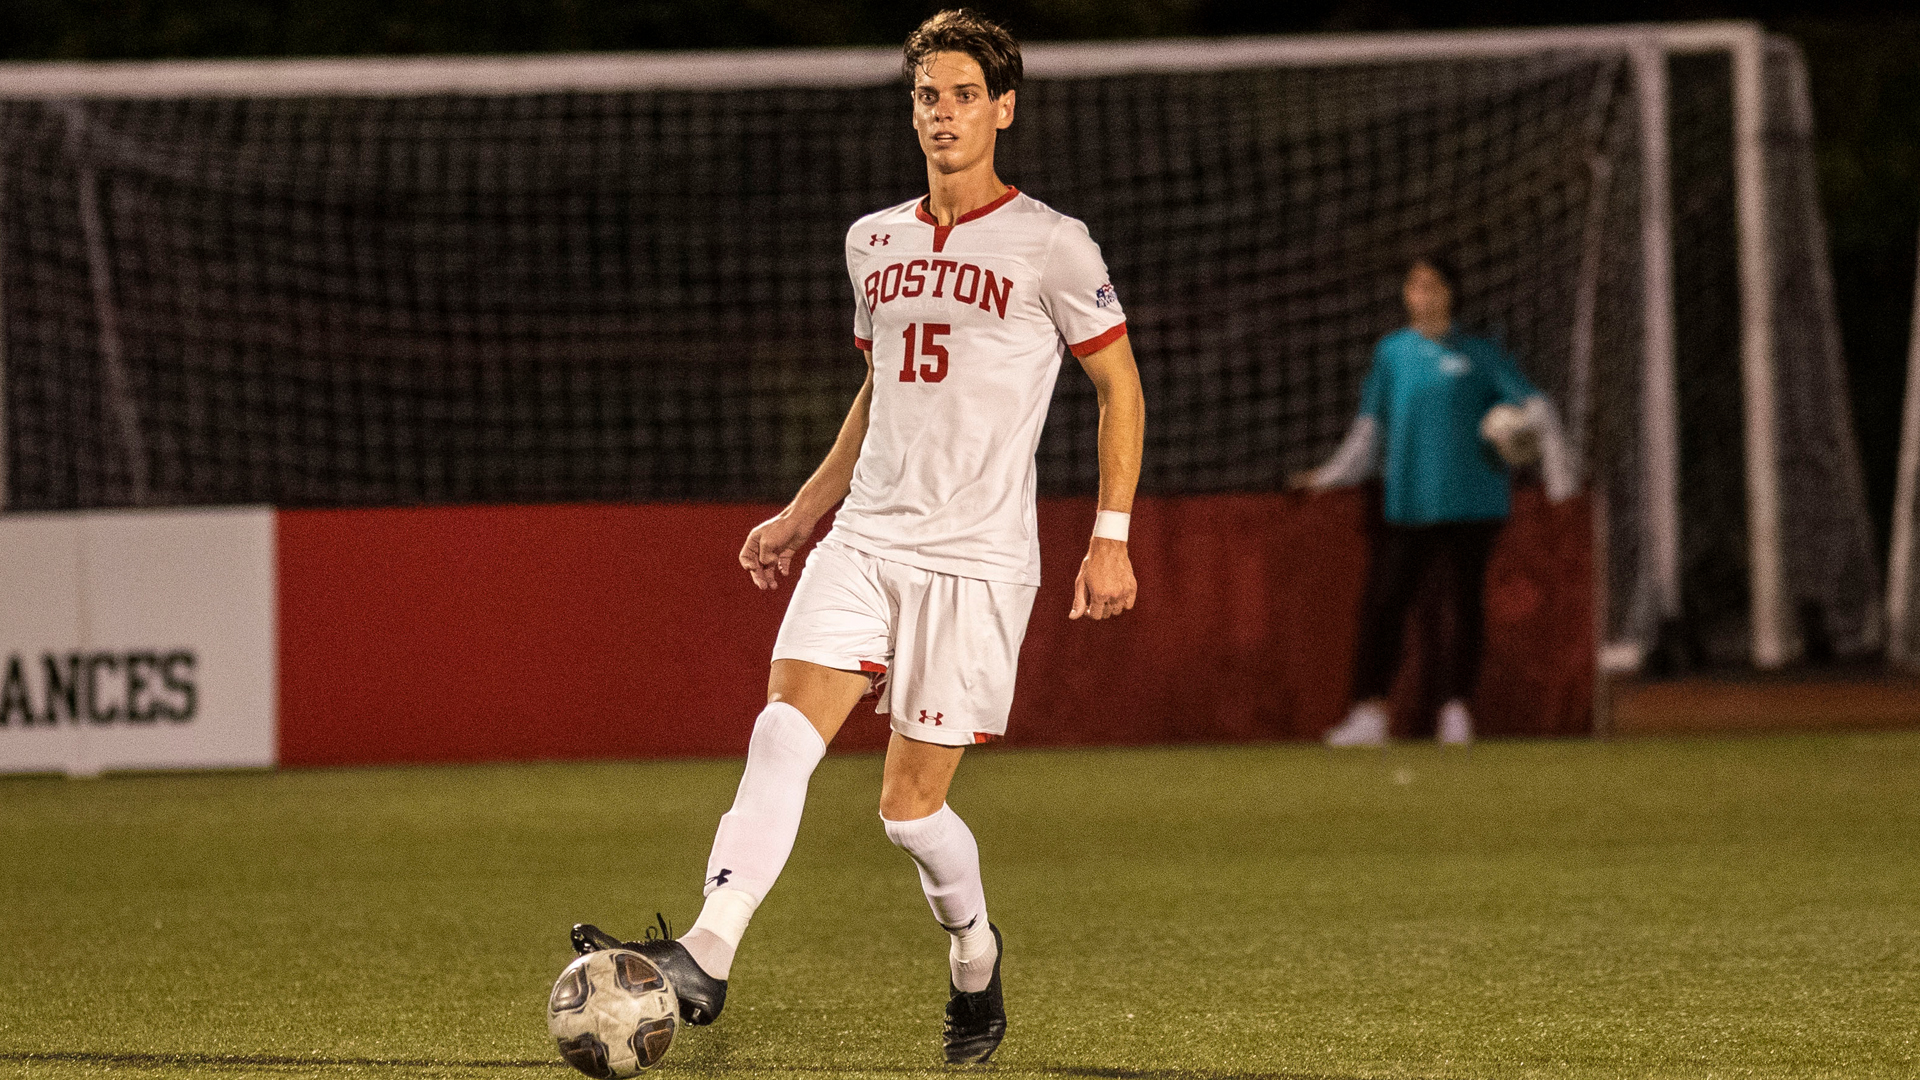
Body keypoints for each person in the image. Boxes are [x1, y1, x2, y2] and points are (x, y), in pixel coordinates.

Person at [570, 9, 1145, 1065]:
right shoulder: (872, 241)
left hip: (976, 561)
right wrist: (805, 511)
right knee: (782, 730)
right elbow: (878, 392)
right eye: (929, 96)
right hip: (866, 539)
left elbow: (1119, 385)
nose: (944, 114)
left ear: (1004, 110)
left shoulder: (1053, 244)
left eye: (965, 95)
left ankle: (975, 955)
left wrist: (1109, 535)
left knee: (909, 814)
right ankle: (707, 951)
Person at [1297, 254, 1574, 747]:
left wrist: (1546, 463)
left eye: (1432, 285)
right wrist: (1332, 475)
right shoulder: (1392, 353)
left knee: (1463, 606)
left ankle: (1456, 710)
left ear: (1450, 292)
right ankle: (1369, 712)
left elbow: (1537, 408)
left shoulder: (1481, 353)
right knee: (1386, 604)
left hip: (1474, 504)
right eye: (1414, 285)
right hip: (1410, 504)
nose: (1422, 295)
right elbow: (1369, 429)